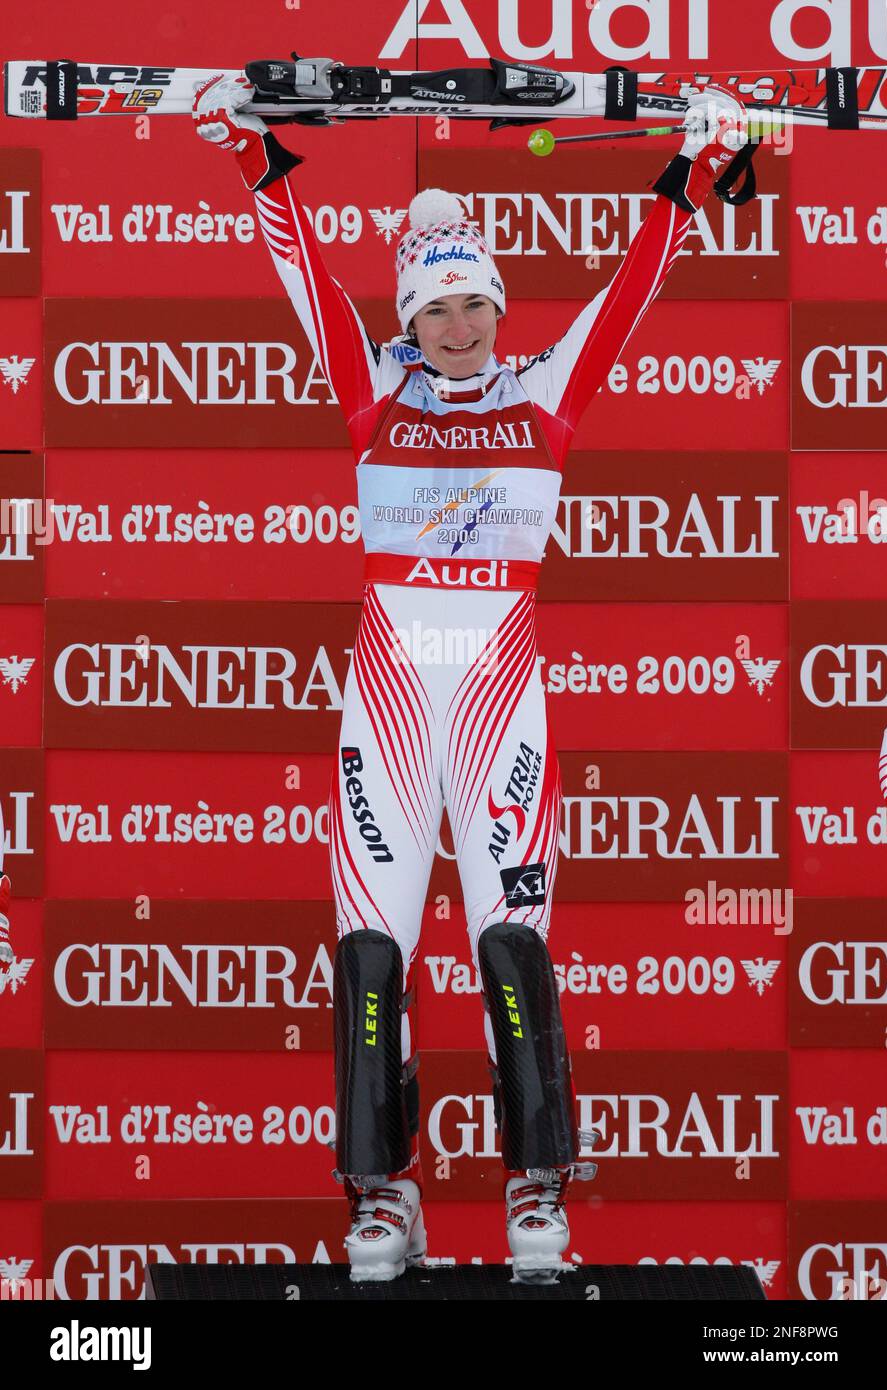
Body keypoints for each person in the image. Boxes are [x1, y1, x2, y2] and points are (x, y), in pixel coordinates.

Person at [192, 71, 749, 1282]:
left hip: (498, 692)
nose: (458, 326)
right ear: (411, 310)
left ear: (499, 305)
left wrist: (702, 164)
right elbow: (300, 269)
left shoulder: (544, 396)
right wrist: (245, 145)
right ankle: (381, 1196)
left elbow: (631, 288)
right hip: (391, 697)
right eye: (437, 306)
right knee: (371, 950)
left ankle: (537, 1183)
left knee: (512, 940)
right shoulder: (372, 388)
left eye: (475, 304)